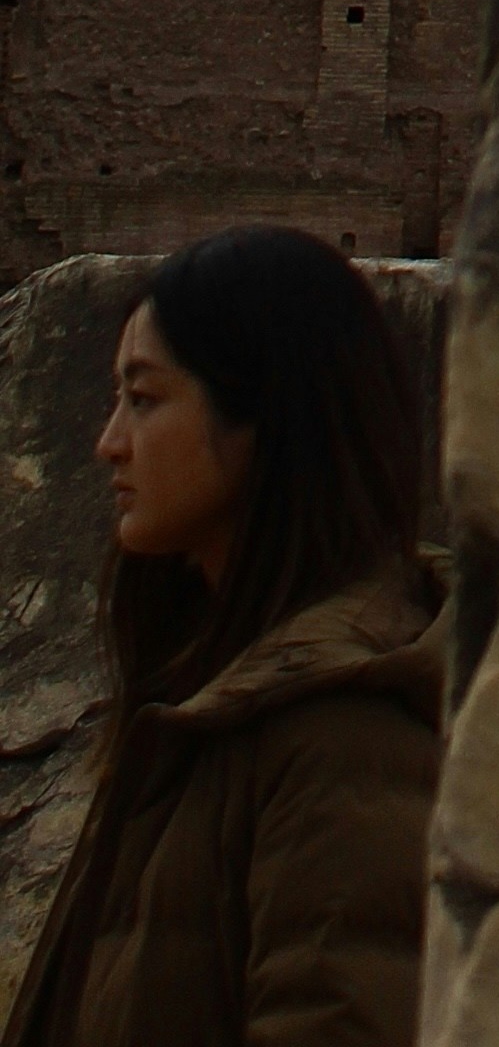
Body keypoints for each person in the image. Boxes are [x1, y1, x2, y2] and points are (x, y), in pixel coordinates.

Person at [2, 226, 441, 1047]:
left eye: (145, 398)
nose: (107, 443)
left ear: (263, 414)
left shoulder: (344, 735)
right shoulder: (195, 694)